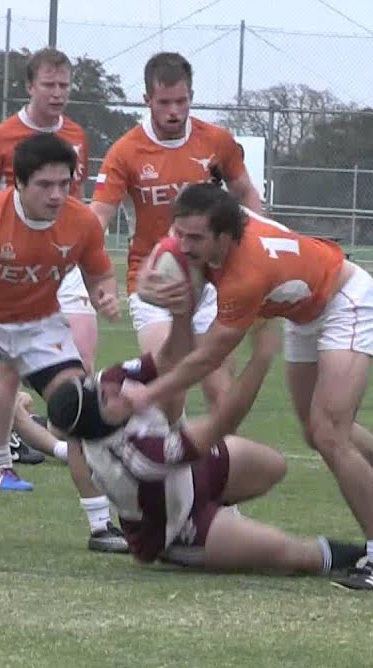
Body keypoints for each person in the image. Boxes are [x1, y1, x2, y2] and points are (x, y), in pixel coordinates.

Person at [120, 183, 373, 592]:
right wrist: (147, 287)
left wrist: (150, 393)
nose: (183, 245)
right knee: (315, 428)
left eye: (195, 238)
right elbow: (151, 267)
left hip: (346, 299)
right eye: (180, 233)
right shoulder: (196, 235)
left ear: (224, 236)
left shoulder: (248, 272)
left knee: (328, 432)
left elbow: (207, 357)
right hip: (302, 311)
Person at [46, 296, 373, 575]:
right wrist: (262, 357)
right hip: (176, 528)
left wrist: (184, 307)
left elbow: (167, 359)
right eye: (108, 400)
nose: (114, 388)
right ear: (102, 425)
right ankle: (371, 552)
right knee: (286, 553)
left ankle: (223, 512)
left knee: (273, 466)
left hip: (189, 476)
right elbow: (221, 424)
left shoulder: (107, 386)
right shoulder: (134, 456)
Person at [0, 132, 122, 550]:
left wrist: (105, 291)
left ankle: (102, 525)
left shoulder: (81, 221)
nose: (56, 195)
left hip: (39, 326)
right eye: (45, 185)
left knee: (78, 407)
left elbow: (100, 272)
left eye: (64, 184)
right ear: (19, 183)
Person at [89, 52, 264, 407]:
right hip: (154, 278)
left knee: (219, 385)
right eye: (164, 102)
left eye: (181, 101)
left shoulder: (216, 141)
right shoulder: (125, 151)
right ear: (147, 100)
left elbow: (245, 192)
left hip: (212, 279)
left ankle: (223, 458)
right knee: (168, 383)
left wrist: (258, 246)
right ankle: (171, 456)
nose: (174, 110)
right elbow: (97, 220)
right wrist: (97, 280)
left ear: (192, 97)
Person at [0, 48, 95, 491]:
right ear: (30, 87)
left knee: (79, 365)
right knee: (8, 367)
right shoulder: (1, 137)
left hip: (63, 261)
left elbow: (75, 204)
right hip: (10, 266)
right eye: (49, 85)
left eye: (65, 86)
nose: (58, 94)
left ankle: (78, 449)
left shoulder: (76, 134)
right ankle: (0, 459)